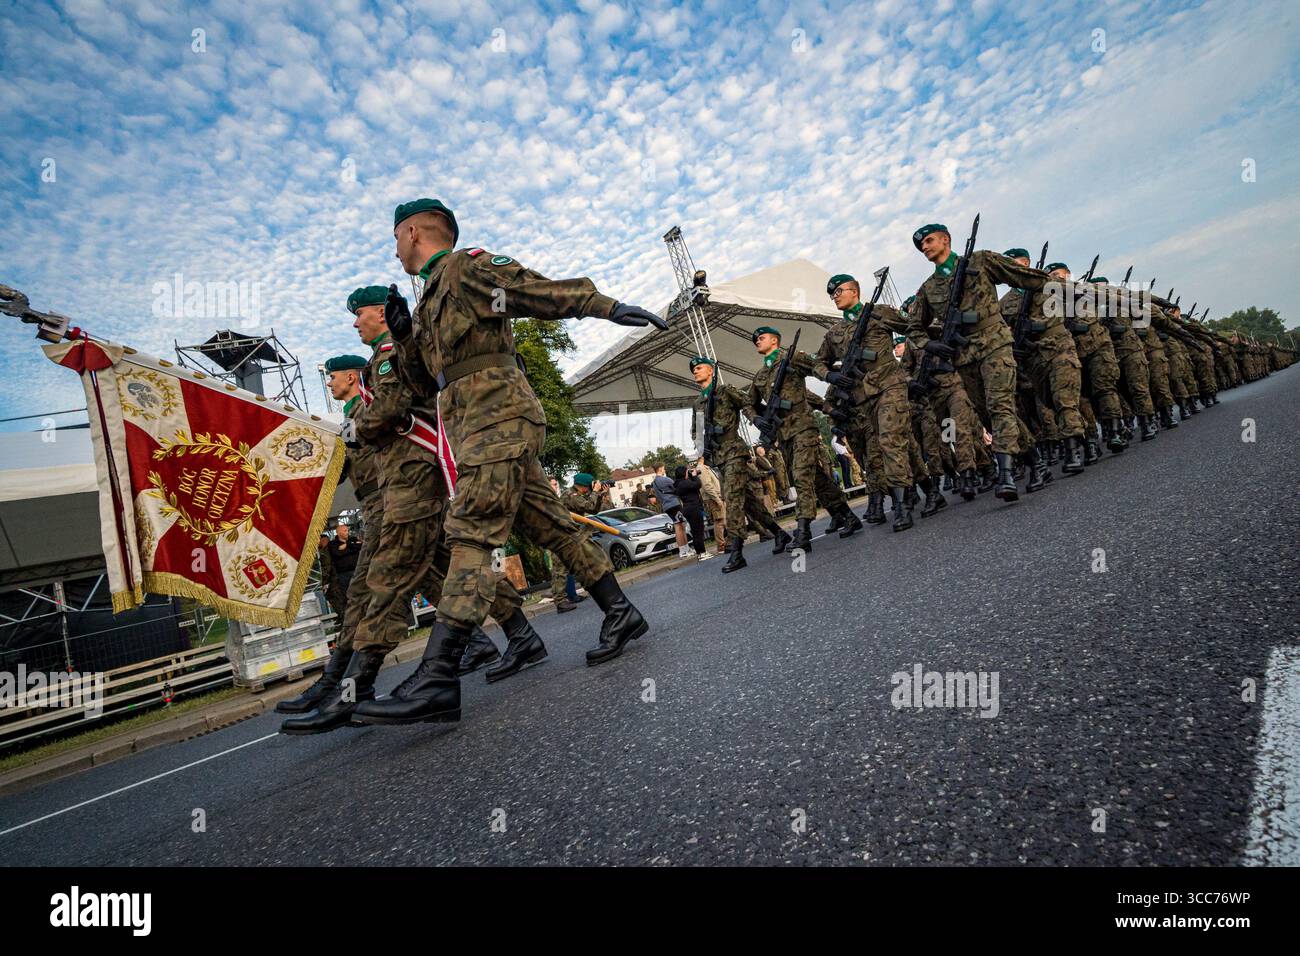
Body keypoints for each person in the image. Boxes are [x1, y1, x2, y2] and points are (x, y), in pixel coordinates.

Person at [360, 197, 663, 726]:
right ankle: (620, 611)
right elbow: (414, 382)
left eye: (395, 240)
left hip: (496, 419)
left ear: (412, 233)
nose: (394, 251)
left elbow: (534, 292)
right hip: (476, 426)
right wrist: (406, 335)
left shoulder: (466, 268)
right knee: (553, 528)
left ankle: (438, 675)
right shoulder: (429, 295)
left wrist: (606, 306)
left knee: (470, 535)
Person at [910, 223, 1062, 500]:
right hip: (964, 357)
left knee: (1000, 404)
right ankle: (1035, 461)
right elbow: (913, 328)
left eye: (929, 240)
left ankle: (1005, 474)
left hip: (995, 343)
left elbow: (1022, 276)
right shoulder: (928, 288)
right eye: (921, 245)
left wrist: (1058, 286)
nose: (925, 247)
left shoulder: (980, 260)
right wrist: (931, 343)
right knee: (989, 414)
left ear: (946, 240)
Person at [279, 356, 376, 716]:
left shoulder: (370, 408)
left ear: (352, 377)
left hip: (394, 507)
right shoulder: (351, 417)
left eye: (332, 377)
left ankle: (344, 687)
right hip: (383, 508)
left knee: (368, 602)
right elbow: (341, 467)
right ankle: (506, 635)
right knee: (432, 583)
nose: (329, 382)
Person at [745, 326, 856, 551]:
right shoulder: (760, 376)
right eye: (755, 339)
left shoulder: (792, 358)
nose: (757, 341)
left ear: (775, 340)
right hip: (783, 434)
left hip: (803, 427)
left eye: (762, 338)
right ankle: (847, 515)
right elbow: (749, 403)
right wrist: (757, 418)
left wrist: (832, 377)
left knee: (802, 476)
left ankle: (803, 531)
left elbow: (817, 366)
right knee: (815, 478)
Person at [691, 357, 791, 572]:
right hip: (718, 457)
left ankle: (736, 551)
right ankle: (780, 534)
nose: (695, 372)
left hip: (735, 451)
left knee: (732, 499)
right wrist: (702, 449)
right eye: (693, 370)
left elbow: (747, 403)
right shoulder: (698, 402)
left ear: (710, 371)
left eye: (699, 368)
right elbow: (696, 432)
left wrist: (755, 420)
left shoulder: (725, 391)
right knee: (748, 502)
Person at [552, 473, 604, 611]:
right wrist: (596, 492)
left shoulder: (577, 495)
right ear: (582, 486)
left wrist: (599, 494)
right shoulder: (570, 496)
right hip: (561, 536)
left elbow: (595, 509)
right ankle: (560, 601)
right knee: (560, 570)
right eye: (588, 487)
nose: (589, 489)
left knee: (579, 564)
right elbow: (590, 507)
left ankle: (575, 595)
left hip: (571, 536)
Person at [674, 464, 710, 559]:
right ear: (683, 473)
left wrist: (691, 476)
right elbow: (698, 484)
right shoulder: (684, 483)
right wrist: (694, 475)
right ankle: (702, 553)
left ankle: (700, 553)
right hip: (693, 508)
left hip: (688, 508)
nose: (688, 473)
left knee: (696, 531)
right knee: (698, 531)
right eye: (687, 471)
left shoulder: (679, 483)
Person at [695, 458, 727, 554]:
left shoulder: (705, 468)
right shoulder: (701, 468)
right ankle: (721, 546)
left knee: (722, 521)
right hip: (712, 499)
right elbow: (707, 486)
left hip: (715, 497)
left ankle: (724, 543)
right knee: (719, 521)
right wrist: (717, 499)